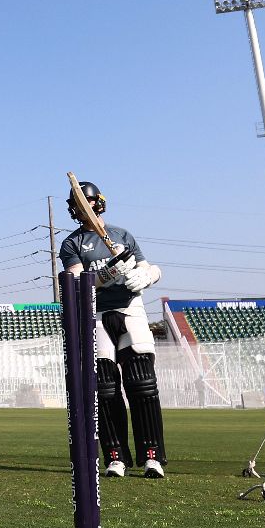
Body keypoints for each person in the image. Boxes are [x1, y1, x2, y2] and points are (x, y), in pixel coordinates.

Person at [59, 181, 166, 478]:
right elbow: (76, 283)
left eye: (87, 202)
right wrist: (107, 274)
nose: (83, 208)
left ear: (98, 202)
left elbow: (147, 266)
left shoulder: (122, 235)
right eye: (78, 204)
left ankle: (152, 456)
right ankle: (116, 457)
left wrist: (146, 276)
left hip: (130, 308)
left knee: (142, 383)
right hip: (96, 315)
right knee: (105, 389)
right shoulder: (72, 244)